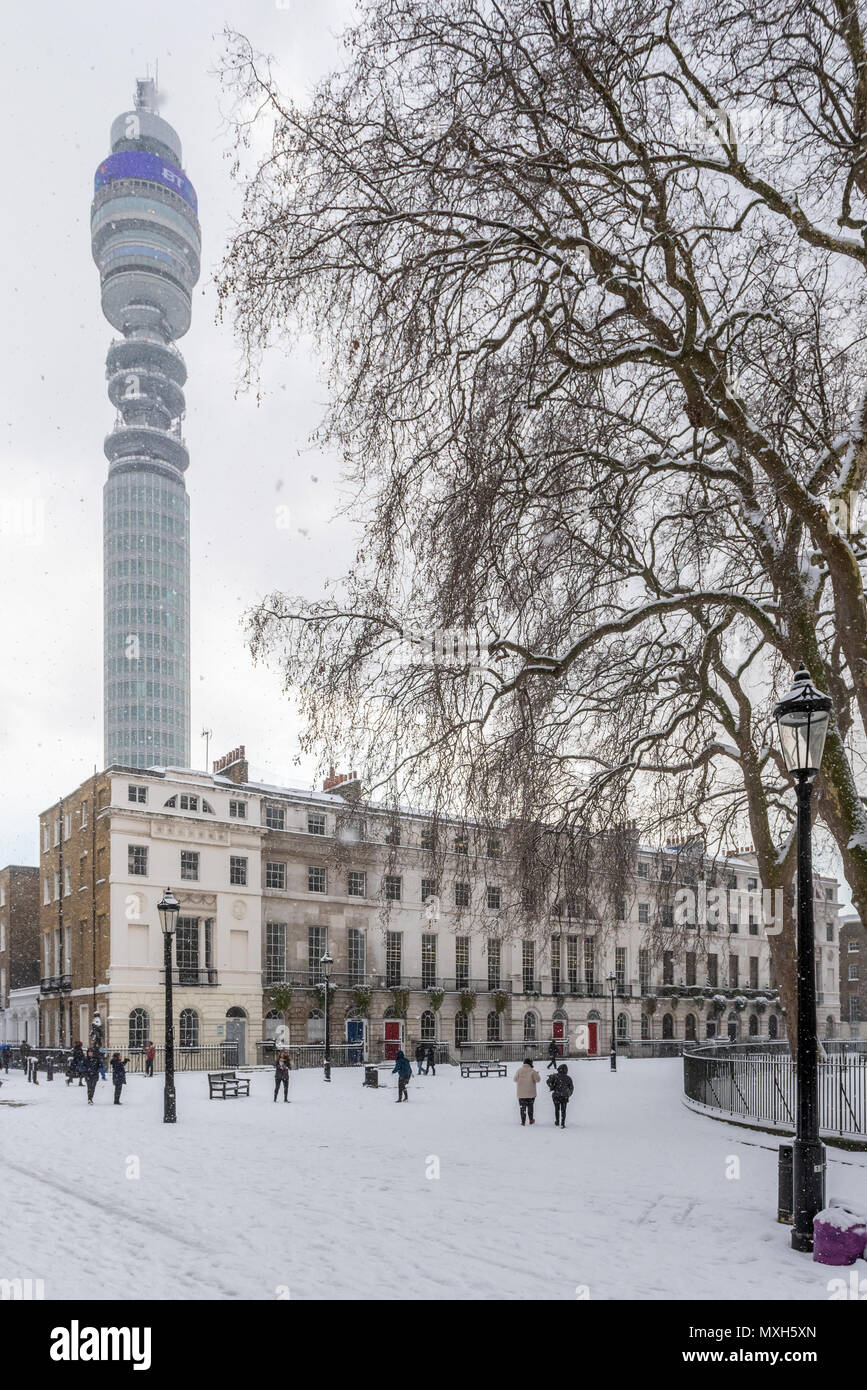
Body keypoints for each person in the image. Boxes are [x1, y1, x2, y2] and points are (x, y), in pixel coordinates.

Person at [514, 1057, 541, 1125]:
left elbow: (515, 1079)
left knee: (522, 1108)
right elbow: (538, 1080)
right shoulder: (532, 1071)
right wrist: (537, 1074)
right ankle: (531, 1120)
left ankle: (523, 1121)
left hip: (521, 1094)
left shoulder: (519, 1070)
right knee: (530, 1107)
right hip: (530, 1093)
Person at [550, 1063, 574, 1128]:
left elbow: (549, 1084)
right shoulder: (568, 1078)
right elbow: (571, 1088)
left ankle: (557, 1121)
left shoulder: (555, 1076)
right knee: (563, 1110)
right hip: (564, 1096)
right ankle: (563, 1123)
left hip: (556, 1096)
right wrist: (569, 1094)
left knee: (556, 1109)